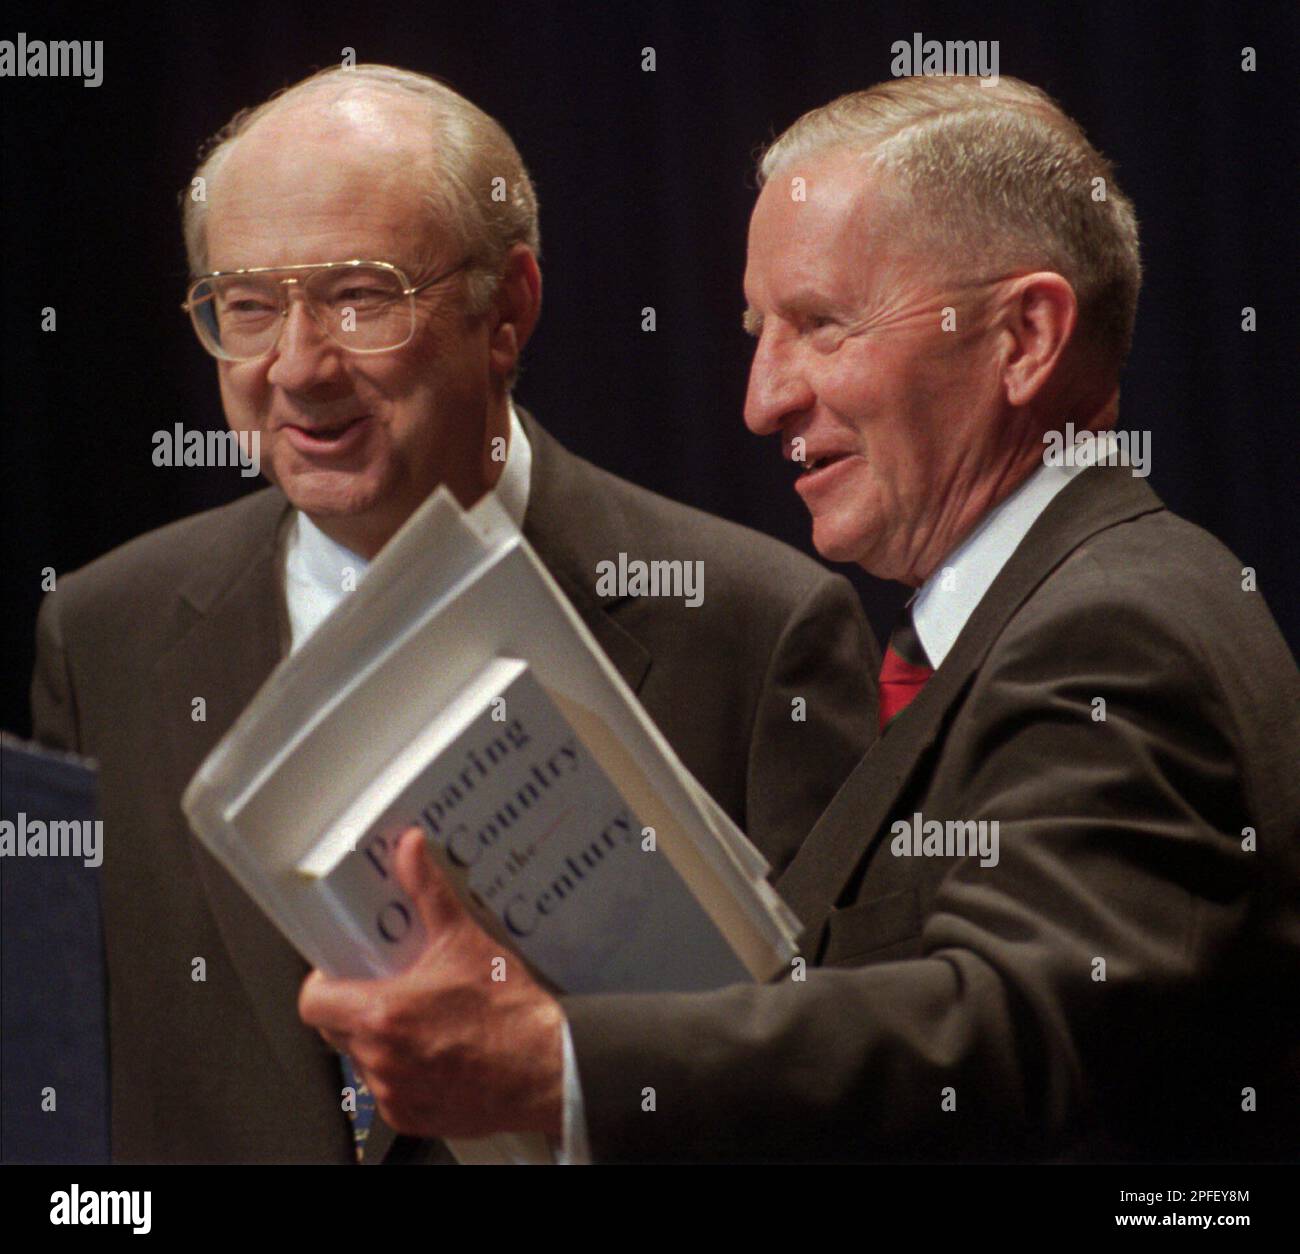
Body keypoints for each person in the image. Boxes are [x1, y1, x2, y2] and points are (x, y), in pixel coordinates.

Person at [300, 75, 1300, 1163]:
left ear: (1023, 336)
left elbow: (1020, 1030)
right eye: (756, 330)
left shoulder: (1111, 630)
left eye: (820, 326)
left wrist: (565, 1062)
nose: (761, 398)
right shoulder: (1040, 617)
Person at [28, 65, 878, 1164]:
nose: (296, 366)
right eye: (246, 306)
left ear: (506, 308)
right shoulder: (107, 635)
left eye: (359, 296)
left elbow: (838, 1083)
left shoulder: (756, 628)